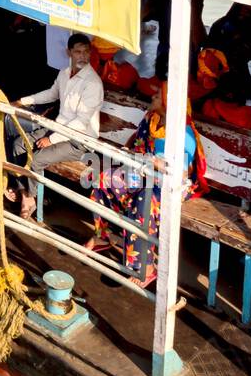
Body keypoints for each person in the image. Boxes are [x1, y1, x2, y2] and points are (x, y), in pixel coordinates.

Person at [85, 82, 207, 287]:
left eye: (158, 95)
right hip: (143, 171)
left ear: (168, 102)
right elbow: (136, 142)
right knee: (103, 180)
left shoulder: (184, 133)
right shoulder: (152, 119)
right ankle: (102, 236)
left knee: (144, 201)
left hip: (170, 183)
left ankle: (146, 267)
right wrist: (130, 155)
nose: (153, 97)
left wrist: (158, 164)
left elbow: (181, 172)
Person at [7, 32, 104, 220]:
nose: (83, 56)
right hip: (58, 128)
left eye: (86, 52)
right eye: (78, 52)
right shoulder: (65, 73)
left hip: (80, 141)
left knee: (37, 159)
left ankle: (29, 198)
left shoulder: (93, 83)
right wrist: (22, 101)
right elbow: (51, 94)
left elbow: (81, 122)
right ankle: (25, 192)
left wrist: (51, 139)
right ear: (69, 52)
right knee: (18, 145)